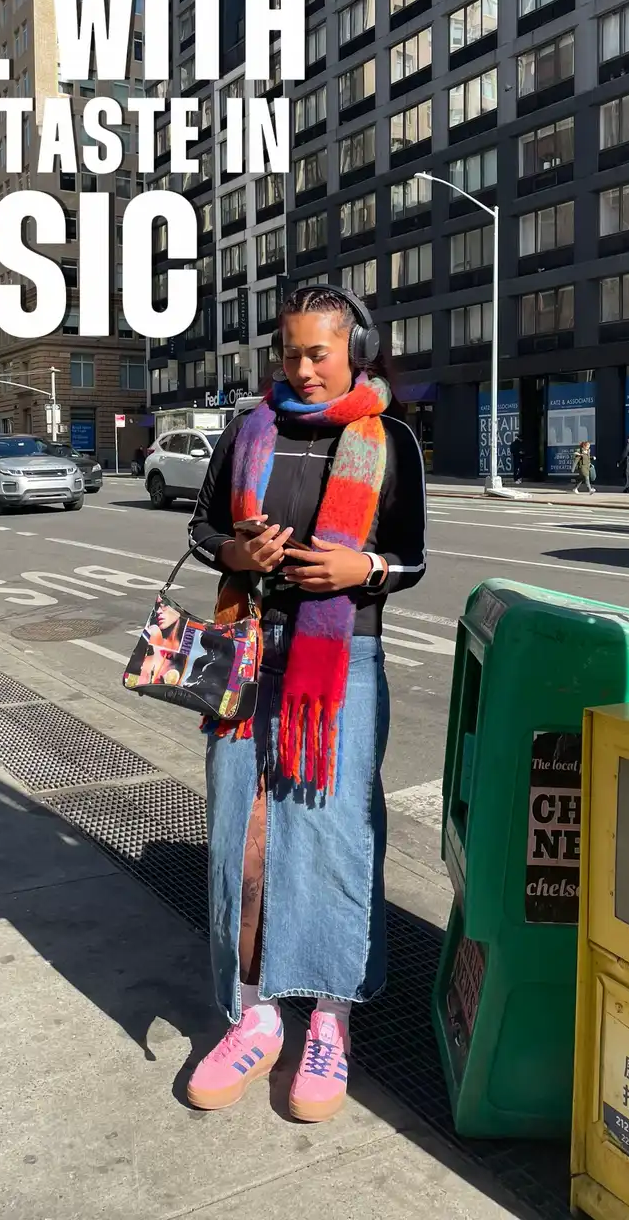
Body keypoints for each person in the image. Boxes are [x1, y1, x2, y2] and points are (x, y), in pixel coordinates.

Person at [186, 284, 427, 1123]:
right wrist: (238, 550)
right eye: (289, 351)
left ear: (354, 348)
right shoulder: (251, 430)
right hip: (250, 651)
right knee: (239, 837)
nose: (301, 367)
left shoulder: (387, 439)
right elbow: (202, 528)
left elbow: (413, 558)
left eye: (317, 352)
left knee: (330, 835)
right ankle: (253, 1015)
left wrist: (367, 573)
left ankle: (329, 1018)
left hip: (343, 662)